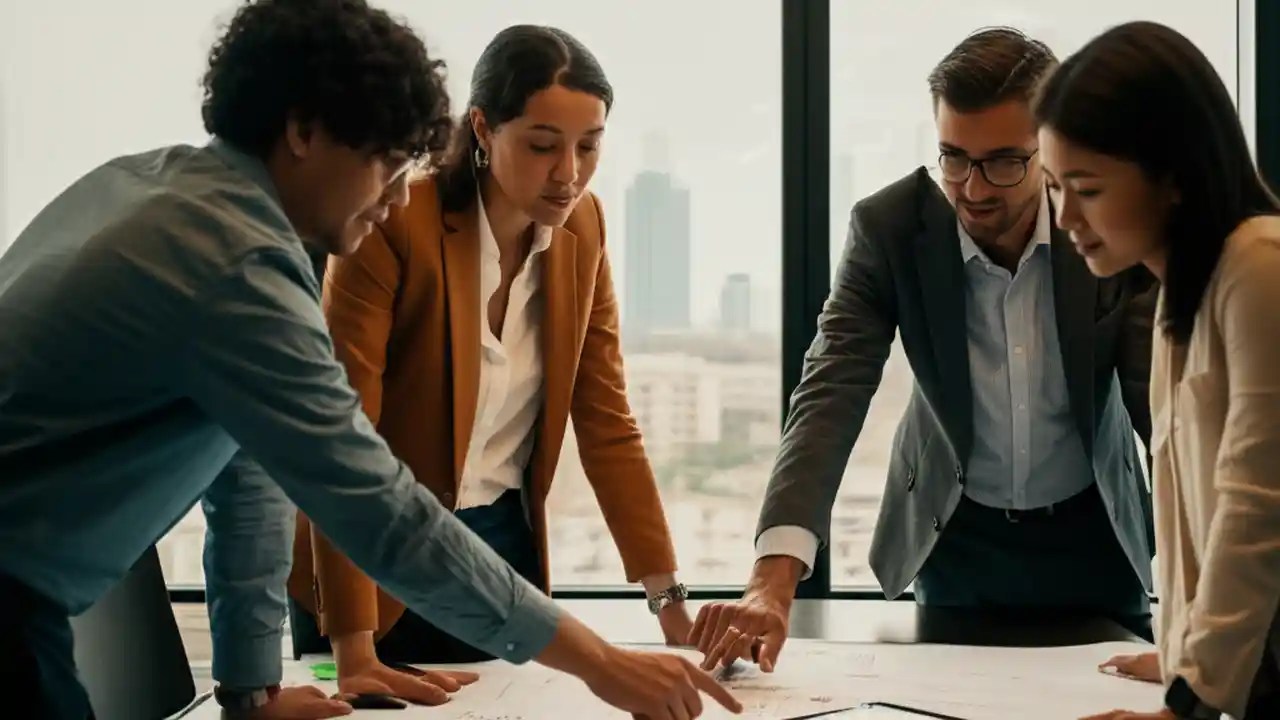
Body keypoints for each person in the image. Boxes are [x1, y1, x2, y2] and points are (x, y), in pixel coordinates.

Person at [0, 2, 742, 719]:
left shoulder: (161, 187)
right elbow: (371, 501)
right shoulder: (238, 265)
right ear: (302, 133)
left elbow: (251, 470)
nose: (394, 196)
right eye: (385, 162)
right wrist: (603, 664)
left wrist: (251, 691)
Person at [689, 26, 1159, 672]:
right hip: (959, 542)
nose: (972, 187)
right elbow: (831, 390)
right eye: (953, 158)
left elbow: (1164, 408)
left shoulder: (1101, 226)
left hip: (1097, 535)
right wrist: (770, 586)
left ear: (1052, 145)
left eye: (1003, 161)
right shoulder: (889, 230)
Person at [285, 24, 694, 702]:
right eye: (542, 146)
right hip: (370, 549)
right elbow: (341, 440)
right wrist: (354, 650)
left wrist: (669, 601)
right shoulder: (393, 221)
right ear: (482, 127)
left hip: (497, 550)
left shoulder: (583, 228)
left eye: (588, 147)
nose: (569, 172)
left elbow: (606, 418)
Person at [1032, 20, 1280, 720]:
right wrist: (1180, 656)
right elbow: (1183, 518)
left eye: (1086, 187)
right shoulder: (1180, 290)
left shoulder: (1258, 266)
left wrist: (1188, 703)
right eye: (1053, 187)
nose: (1066, 216)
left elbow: (1257, 504)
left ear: (1172, 175)